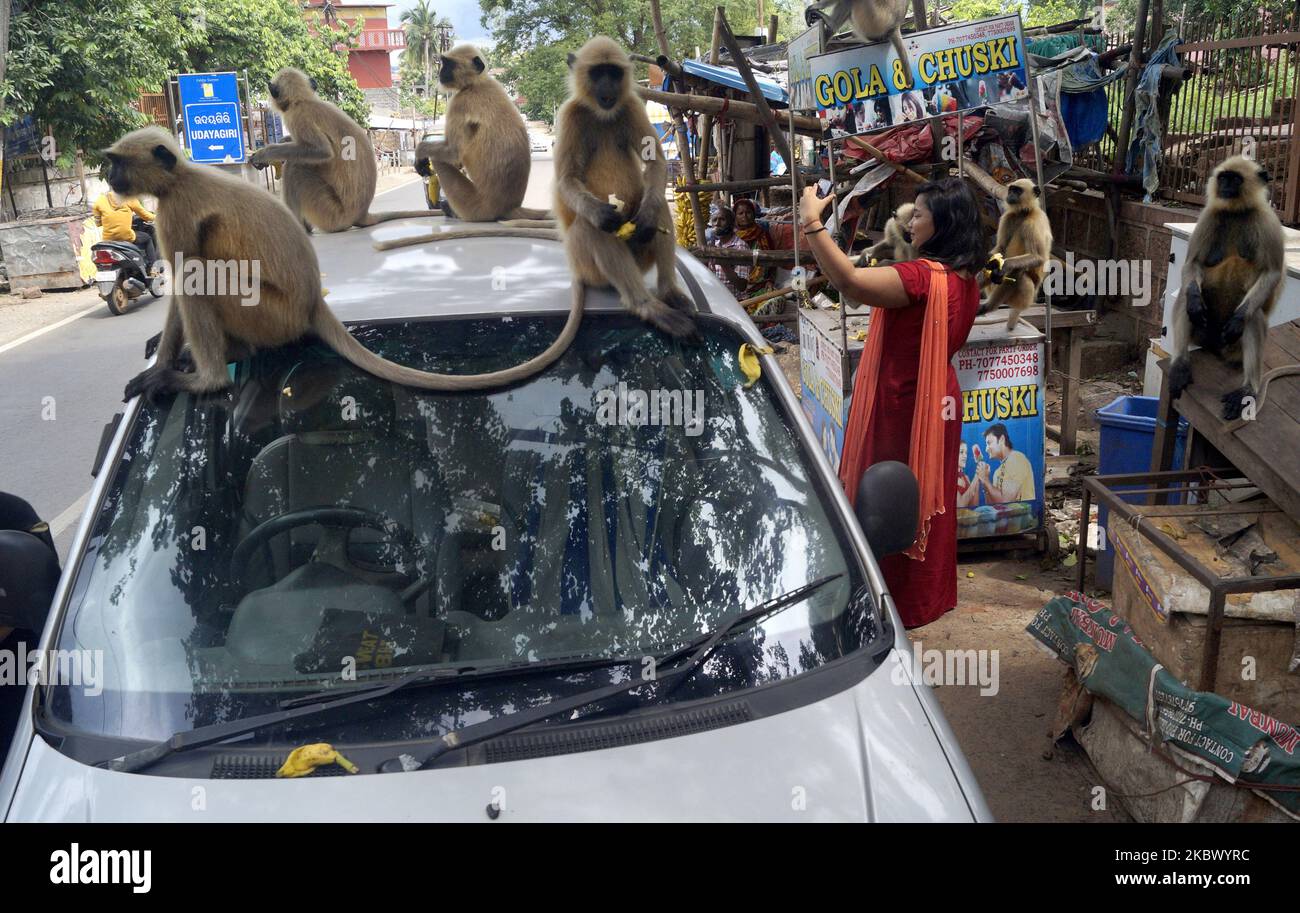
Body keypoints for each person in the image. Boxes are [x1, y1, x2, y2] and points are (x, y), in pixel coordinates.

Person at [800, 177, 987, 628]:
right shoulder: (966, 278)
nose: (911, 221)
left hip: (903, 405)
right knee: (928, 495)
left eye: (919, 213)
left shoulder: (922, 278)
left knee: (888, 499)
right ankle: (924, 597)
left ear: (942, 224)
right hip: (938, 399)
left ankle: (890, 604)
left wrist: (810, 222)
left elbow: (849, 281)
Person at [92, 189, 160, 273]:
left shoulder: (99, 200)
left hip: (108, 239)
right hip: (126, 236)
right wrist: (157, 217)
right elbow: (146, 216)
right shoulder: (129, 198)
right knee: (148, 238)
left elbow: (98, 223)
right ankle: (153, 269)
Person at [976, 423, 1035, 503]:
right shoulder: (997, 472)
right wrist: (984, 483)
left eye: (989, 443)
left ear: (1002, 439)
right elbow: (991, 505)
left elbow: (1006, 502)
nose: (986, 449)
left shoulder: (1017, 459)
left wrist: (986, 480)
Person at [707, 205, 754, 298]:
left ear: (732, 224)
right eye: (714, 220)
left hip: (734, 303)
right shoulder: (715, 245)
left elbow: (741, 286)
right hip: (717, 299)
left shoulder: (740, 247)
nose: (717, 223)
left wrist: (723, 263)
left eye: (722, 220)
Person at [732, 198, 773, 298]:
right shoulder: (731, 237)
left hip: (760, 283)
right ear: (735, 216)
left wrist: (771, 280)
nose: (745, 216)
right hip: (738, 282)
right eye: (740, 213)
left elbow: (772, 260)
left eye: (748, 212)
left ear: (754, 214)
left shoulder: (762, 234)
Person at [956, 440, 979, 508]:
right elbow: (960, 505)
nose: (965, 456)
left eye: (966, 453)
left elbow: (974, 505)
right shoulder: (949, 479)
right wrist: (975, 478)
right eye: (961, 452)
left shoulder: (966, 478)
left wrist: (977, 481)